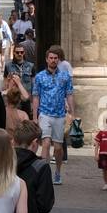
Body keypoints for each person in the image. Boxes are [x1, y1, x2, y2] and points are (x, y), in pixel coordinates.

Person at [32, 47, 75, 185]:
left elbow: (69, 94)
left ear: (58, 60)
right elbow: (36, 97)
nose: (53, 60)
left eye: (55, 58)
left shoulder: (65, 76)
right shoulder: (39, 77)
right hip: (45, 113)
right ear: (46, 59)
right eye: (51, 58)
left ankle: (57, 171)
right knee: (45, 143)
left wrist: (72, 113)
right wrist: (34, 116)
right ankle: (44, 174)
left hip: (60, 114)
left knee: (58, 147)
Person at [4, 41, 35, 114]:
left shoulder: (31, 66)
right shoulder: (8, 66)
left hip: (26, 99)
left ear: (24, 53)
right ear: (14, 53)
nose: (19, 54)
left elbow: (34, 85)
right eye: (17, 52)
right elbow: (5, 84)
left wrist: (33, 102)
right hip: (13, 100)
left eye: (21, 52)